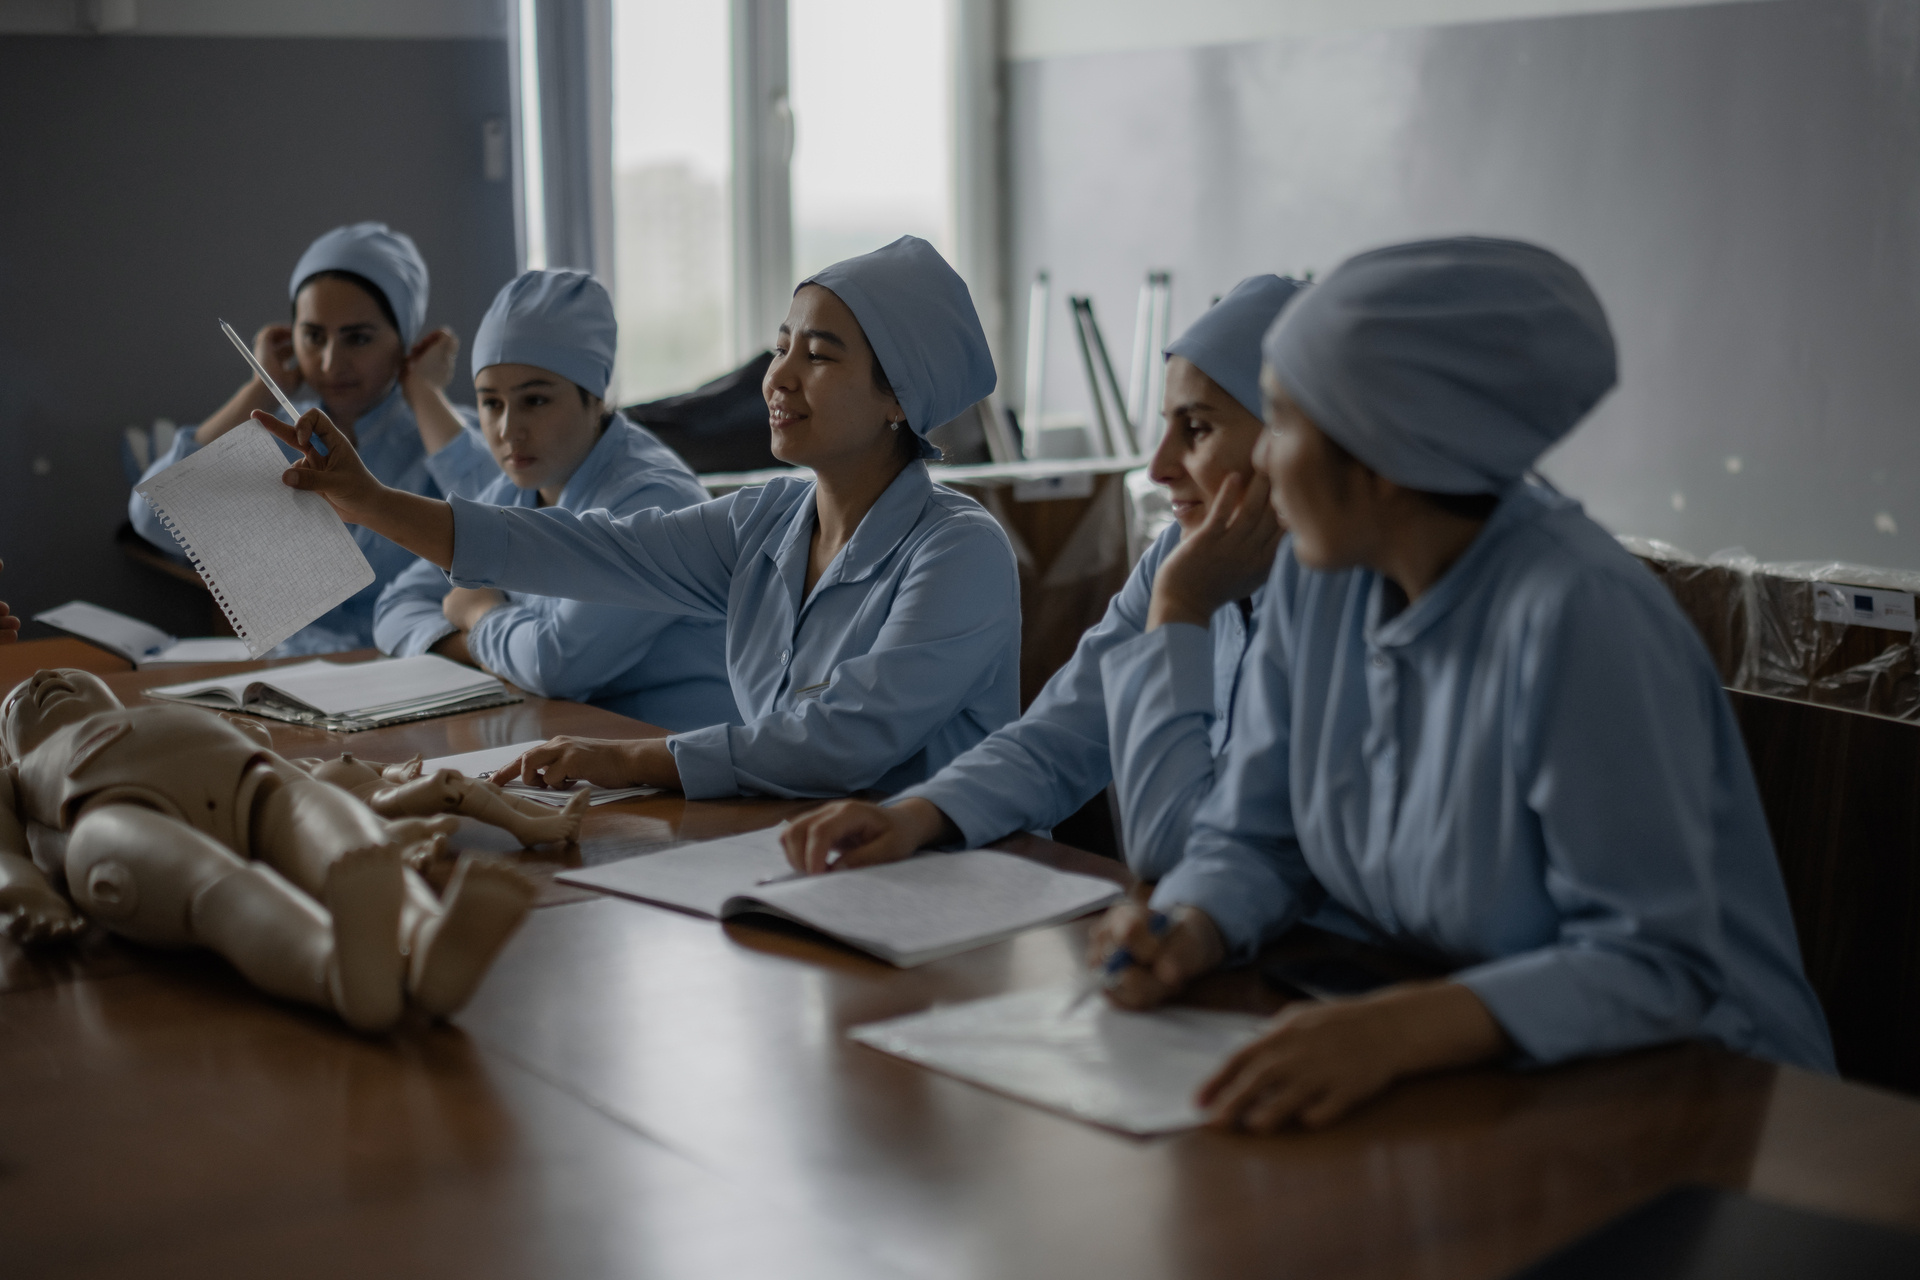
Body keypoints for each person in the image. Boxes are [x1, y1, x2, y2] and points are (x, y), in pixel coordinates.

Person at [1090, 237, 1834, 1134]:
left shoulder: (1579, 614)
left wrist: (1396, 1033)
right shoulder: (1316, 579)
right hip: (1488, 1081)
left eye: (1284, 423)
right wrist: (1190, 924)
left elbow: (1659, 964)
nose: (1266, 461)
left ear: (1382, 459)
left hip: (1712, 1102)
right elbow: (1256, 836)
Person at [257, 236, 1021, 800]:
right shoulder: (768, 522)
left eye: (817, 356)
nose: (777, 377)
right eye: (780, 347)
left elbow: (843, 742)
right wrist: (367, 499)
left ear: (898, 398)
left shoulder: (959, 552)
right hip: (799, 843)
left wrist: (626, 759)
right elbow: (580, 551)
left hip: (946, 880)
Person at [781, 276, 1303, 878]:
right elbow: (1059, 738)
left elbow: (1180, 852)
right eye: (1164, 426)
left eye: (1198, 429)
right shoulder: (1175, 557)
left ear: (1292, 441)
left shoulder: (1330, 602)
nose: (1157, 468)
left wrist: (1181, 609)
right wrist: (916, 816)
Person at [372, 270, 738, 732]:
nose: (507, 431)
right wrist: (495, 651)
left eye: (536, 401)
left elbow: (556, 666)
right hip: (569, 745)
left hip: (680, 762)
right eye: (491, 404)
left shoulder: (656, 500)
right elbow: (394, 608)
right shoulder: (516, 488)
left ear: (596, 396)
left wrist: (477, 612)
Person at [128, 222, 484, 655]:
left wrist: (426, 395)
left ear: (404, 342)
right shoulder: (274, 437)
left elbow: (504, 532)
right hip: (294, 683)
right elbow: (152, 521)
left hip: (417, 672)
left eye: (358, 338)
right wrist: (257, 387)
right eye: (314, 336)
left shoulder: (447, 438)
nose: (333, 362)